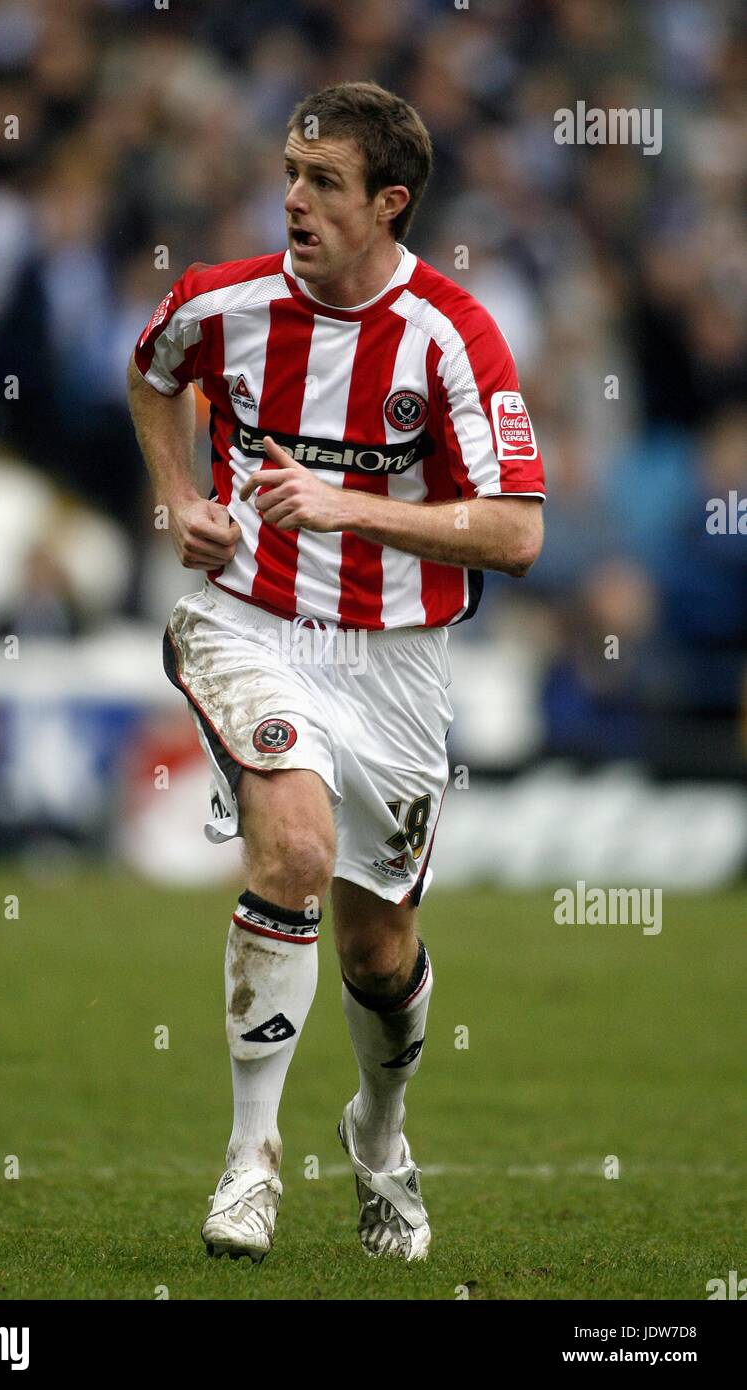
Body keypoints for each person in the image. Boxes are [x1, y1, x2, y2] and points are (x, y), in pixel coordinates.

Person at [127, 81, 545, 1264]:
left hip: (397, 664)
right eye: (289, 173)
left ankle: (378, 1132)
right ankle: (249, 1162)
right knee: (293, 850)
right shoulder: (222, 302)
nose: (292, 199)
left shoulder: (450, 336)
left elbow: (516, 534)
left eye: (322, 183)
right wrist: (178, 499)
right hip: (245, 623)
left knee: (378, 950)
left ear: (389, 204)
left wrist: (344, 503)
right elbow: (151, 376)